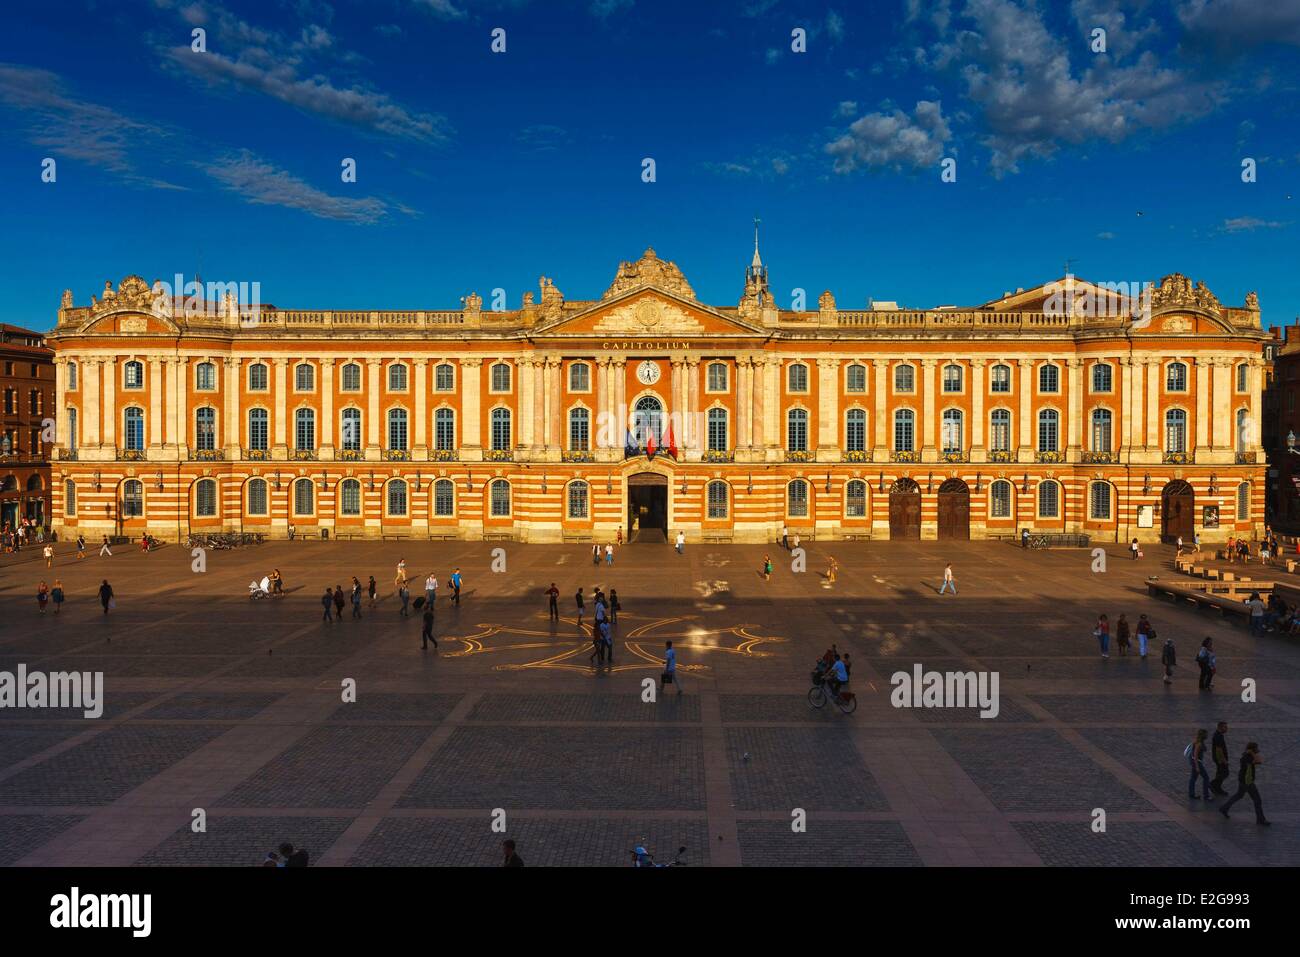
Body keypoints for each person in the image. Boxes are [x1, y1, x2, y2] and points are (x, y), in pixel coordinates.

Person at [1219, 742, 1270, 825]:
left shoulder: (1246, 755)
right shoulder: (1248, 757)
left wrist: (1253, 753)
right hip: (1248, 782)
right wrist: (1253, 753)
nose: (1258, 750)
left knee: (1238, 795)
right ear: (1252, 749)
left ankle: (1224, 808)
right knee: (1257, 800)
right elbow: (1259, 761)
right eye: (1256, 748)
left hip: (1243, 780)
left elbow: (1258, 760)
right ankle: (1260, 819)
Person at [1187, 729, 1214, 801]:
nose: (1207, 735)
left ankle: (1191, 793)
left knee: (1193, 778)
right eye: (1206, 734)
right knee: (1206, 778)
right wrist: (1197, 767)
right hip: (1197, 762)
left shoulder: (1196, 741)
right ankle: (1206, 796)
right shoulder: (1199, 744)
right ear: (1203, 735)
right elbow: (1195, 755)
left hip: (1194, 761)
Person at [1211, 722, 1231, 796]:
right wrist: (1224, 760)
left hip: (1218, 758)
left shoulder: (1219, 735)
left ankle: (1217, 788)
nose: (1227, 729)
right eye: (1225, 727)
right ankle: (1213, 784)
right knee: (1225, 773)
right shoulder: (1218, 736)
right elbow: (1219, 750)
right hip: (1220, 759)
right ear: (1220, 727)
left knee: (1220, 773)